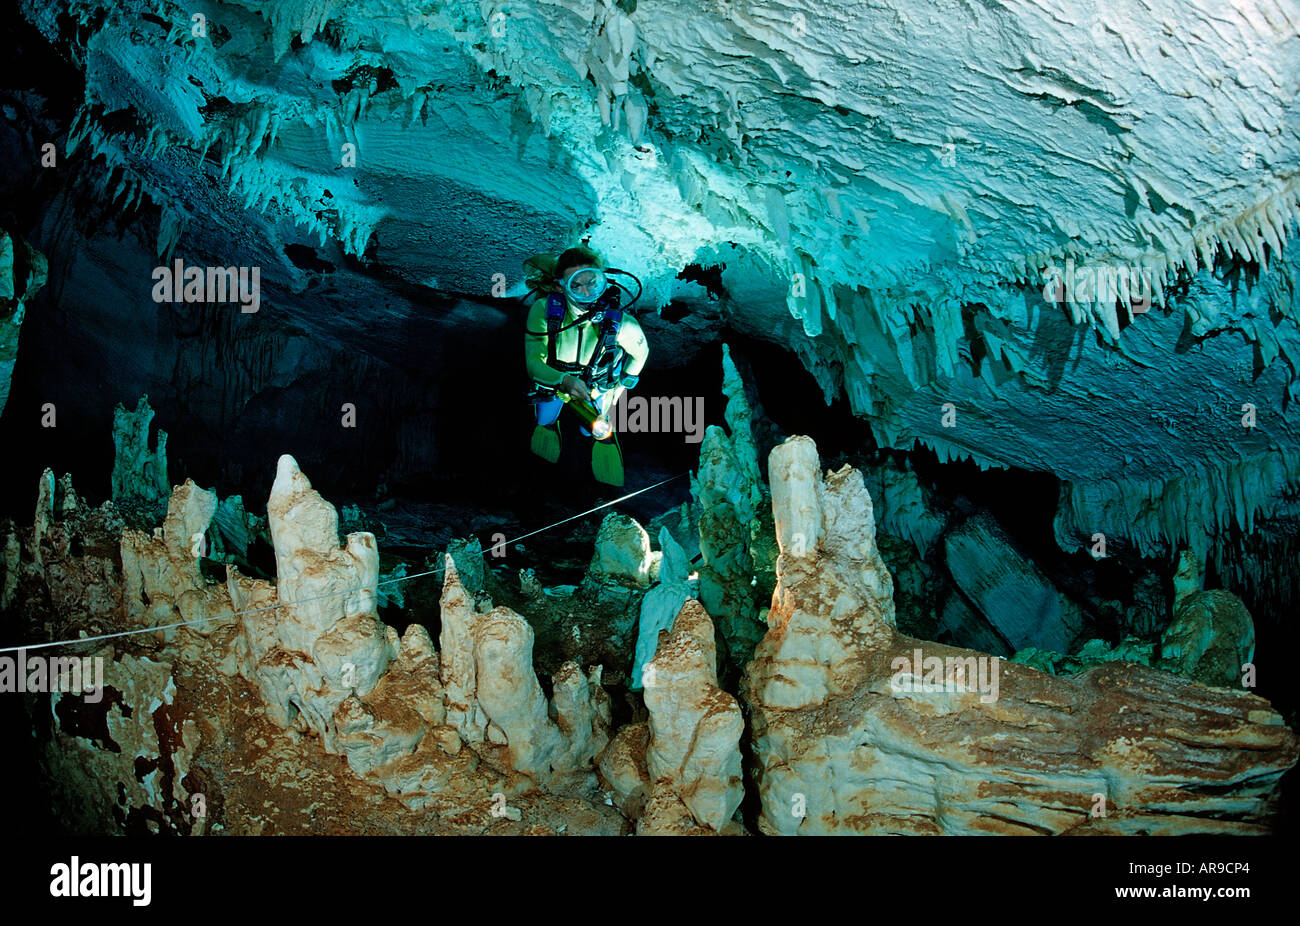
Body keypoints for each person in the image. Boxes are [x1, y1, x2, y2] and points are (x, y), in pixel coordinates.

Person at [524, 245, 648, 485]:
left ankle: (587, 468)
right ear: (561, 286)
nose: (586, 292)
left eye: (592, 282)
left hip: (597, 388)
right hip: (555, 384)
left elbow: (641, 354)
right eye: (576, 284)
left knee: (594, 430)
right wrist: (564, 380)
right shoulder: (545, 311)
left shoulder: (622, 323)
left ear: (602, 281)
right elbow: (533, 361)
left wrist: (619, 390)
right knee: (545, 420)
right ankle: (544, 467)